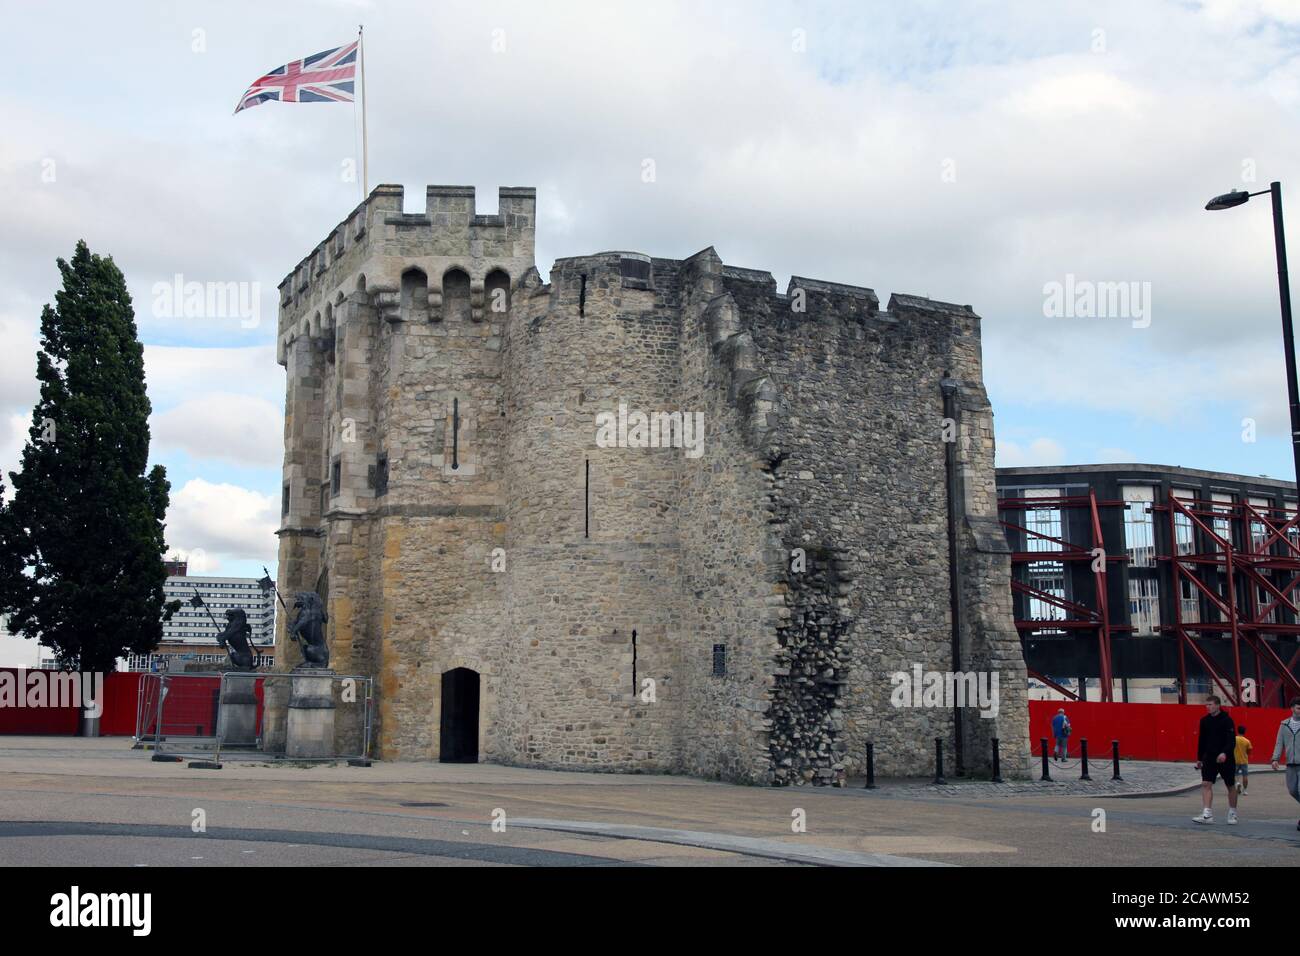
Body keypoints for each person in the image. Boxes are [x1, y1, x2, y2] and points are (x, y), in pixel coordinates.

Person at [1193, 696, 1239, 825]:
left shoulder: (1227, 720)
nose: (1208, 707)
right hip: (1209, 758)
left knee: (1230, 785)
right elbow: (1201, 741)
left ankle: (1233, 813)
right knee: (1206, 784)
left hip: (1226, 759)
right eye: (1206, 704)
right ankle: (1207, 814)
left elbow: (1232, 741)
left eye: (1210, 704)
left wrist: (1224, 753)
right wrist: (1199, 758)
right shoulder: (1204, 721)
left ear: (1218, 705)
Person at [1269, 698, 1300, 831]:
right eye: (1299, 708)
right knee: (1292, 791)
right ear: (1292, 708)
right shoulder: (1284, 724)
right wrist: (1275, 759)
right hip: (1290, 764)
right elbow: (1279, 743)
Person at [1234, 725, 1251, 795]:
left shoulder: (1234, 739)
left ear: (1238, 731)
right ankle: (1245, 790)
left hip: (1235, 760)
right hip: (1244, 761)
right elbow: (1249, 751)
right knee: (1245, 776)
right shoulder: (1247, 741)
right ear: (1244, 732)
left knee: (1233, 774)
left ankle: (1237, 783)